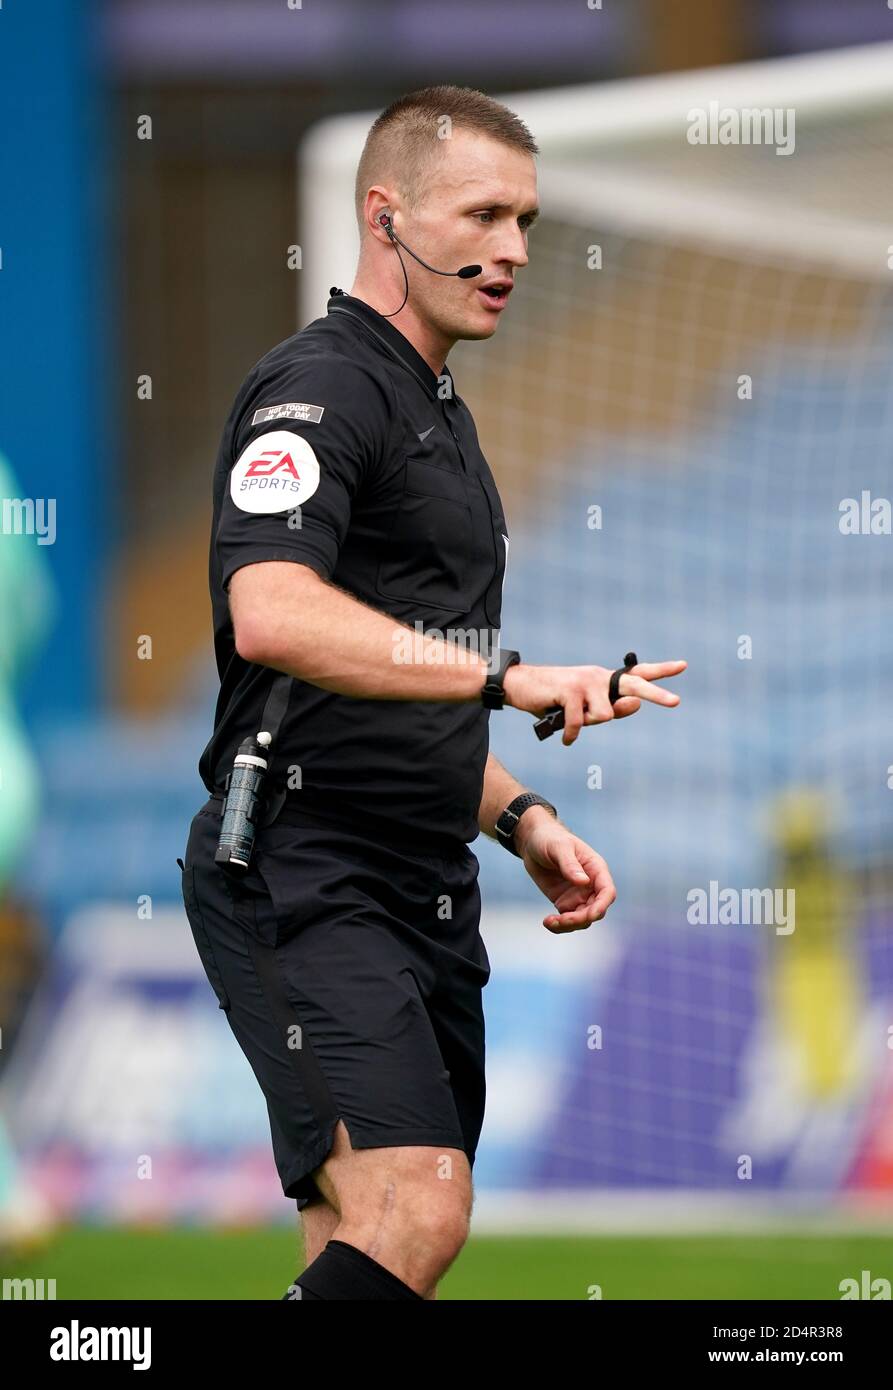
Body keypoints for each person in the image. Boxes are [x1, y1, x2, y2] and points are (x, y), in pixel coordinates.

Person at [180, 85, 686, 1302]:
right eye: (481, 214)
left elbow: (381, 688)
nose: (511, 250)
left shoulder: (440, 409)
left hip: (419, 883)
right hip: (302, 867)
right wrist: (508, 678)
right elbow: (274, 611)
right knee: (417, 1208)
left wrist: (520, 819)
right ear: (384, 214)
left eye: (525, 220)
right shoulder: (321, 386)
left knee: (371, 1233)